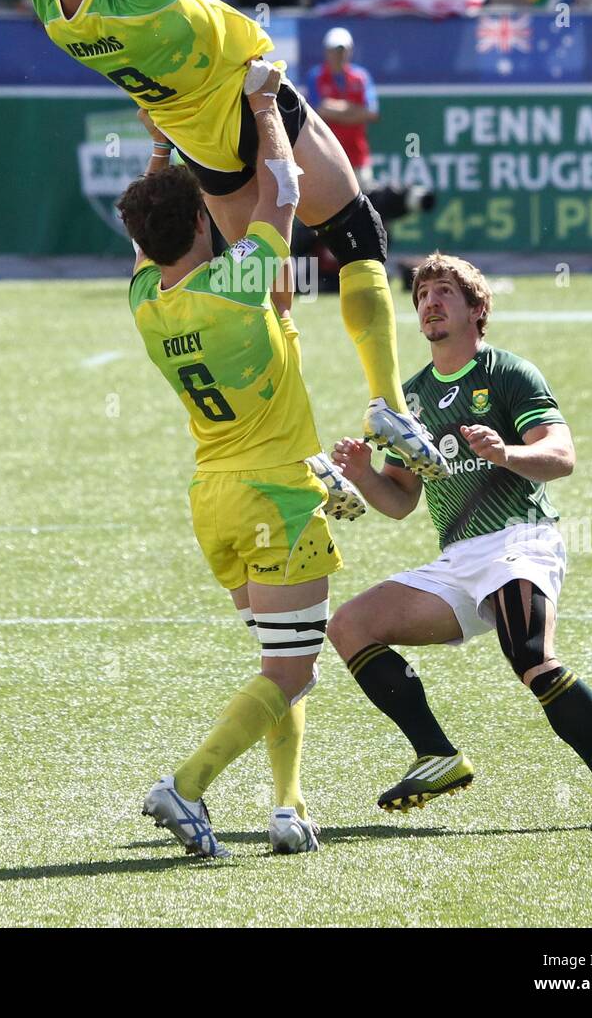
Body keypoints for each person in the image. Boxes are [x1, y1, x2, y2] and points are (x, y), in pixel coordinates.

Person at [0, 0, 449, 480]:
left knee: (267, 294)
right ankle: (385, 399)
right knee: (357, 234)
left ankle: (308, 453)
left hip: (200, 145)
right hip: (250, 97)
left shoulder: (55, 6)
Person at [327, 251, 592, 831]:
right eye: (423, 295)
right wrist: (362, 476)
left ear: (478, 309)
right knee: (349, 625)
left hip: (521, 542)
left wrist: (507, 453)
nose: (429, 302)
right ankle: (438, 755)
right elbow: (401, 501)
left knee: (530, 657)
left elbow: (562, 457)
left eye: (444, 293)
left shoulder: (507, 373)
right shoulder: (407, 398)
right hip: (457, 560)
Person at [121, 77, 357, 857]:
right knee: (291, 669)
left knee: (281, 665)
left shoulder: (147, 299)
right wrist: (262, 108)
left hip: (214, 499)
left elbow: (151, 231)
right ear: (199, 220)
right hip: (276, 495)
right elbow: (284, 187)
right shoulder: (237, 283)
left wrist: (160, 136)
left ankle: (288, 807)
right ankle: (186, 786)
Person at [305, 28, 378, 193]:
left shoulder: (361, 77)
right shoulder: (316, 76)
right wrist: (351, 109)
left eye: (342, 50)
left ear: (350, 51)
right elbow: (318, 111)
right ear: (326, 51)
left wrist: (334, 109)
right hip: (326, 157)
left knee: (364, 206)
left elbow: (371, 112)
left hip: (357, 157)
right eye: (334, 51)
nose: (338, 55)